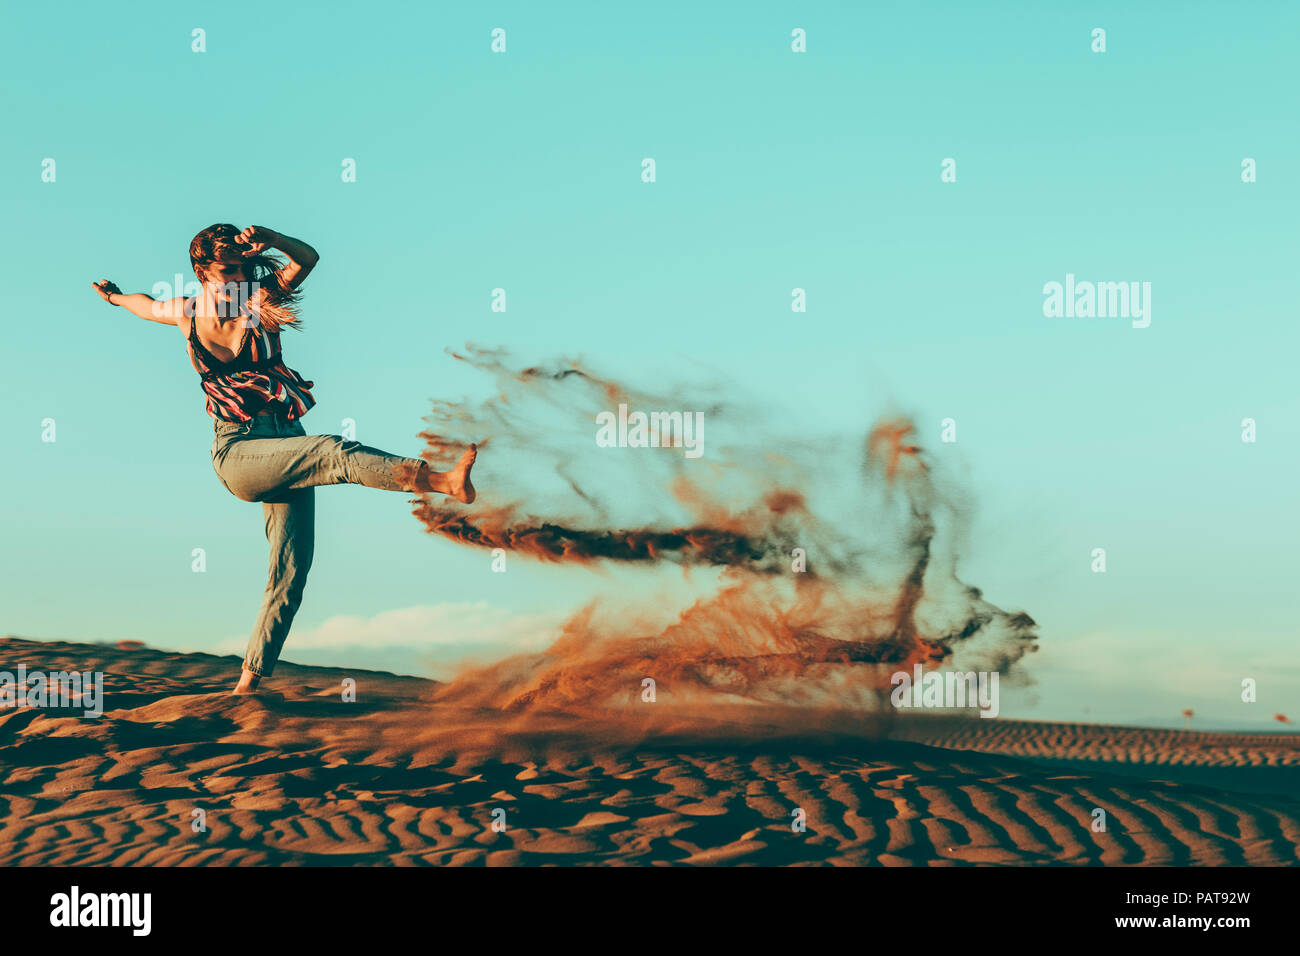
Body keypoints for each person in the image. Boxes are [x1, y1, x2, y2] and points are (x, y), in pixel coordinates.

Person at [92, 224, 477, 695]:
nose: (236, 279)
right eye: (226, 271)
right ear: (200, 272)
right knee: (333, 450)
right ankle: (441, 481)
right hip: (240, 452)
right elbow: (143, 304)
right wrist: (113, 298)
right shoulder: (185, 313)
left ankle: (247, 687)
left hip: (286, 441)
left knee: (291, 569)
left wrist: (272, 238)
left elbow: (309, 259)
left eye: (240, 269)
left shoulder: (260, 301)